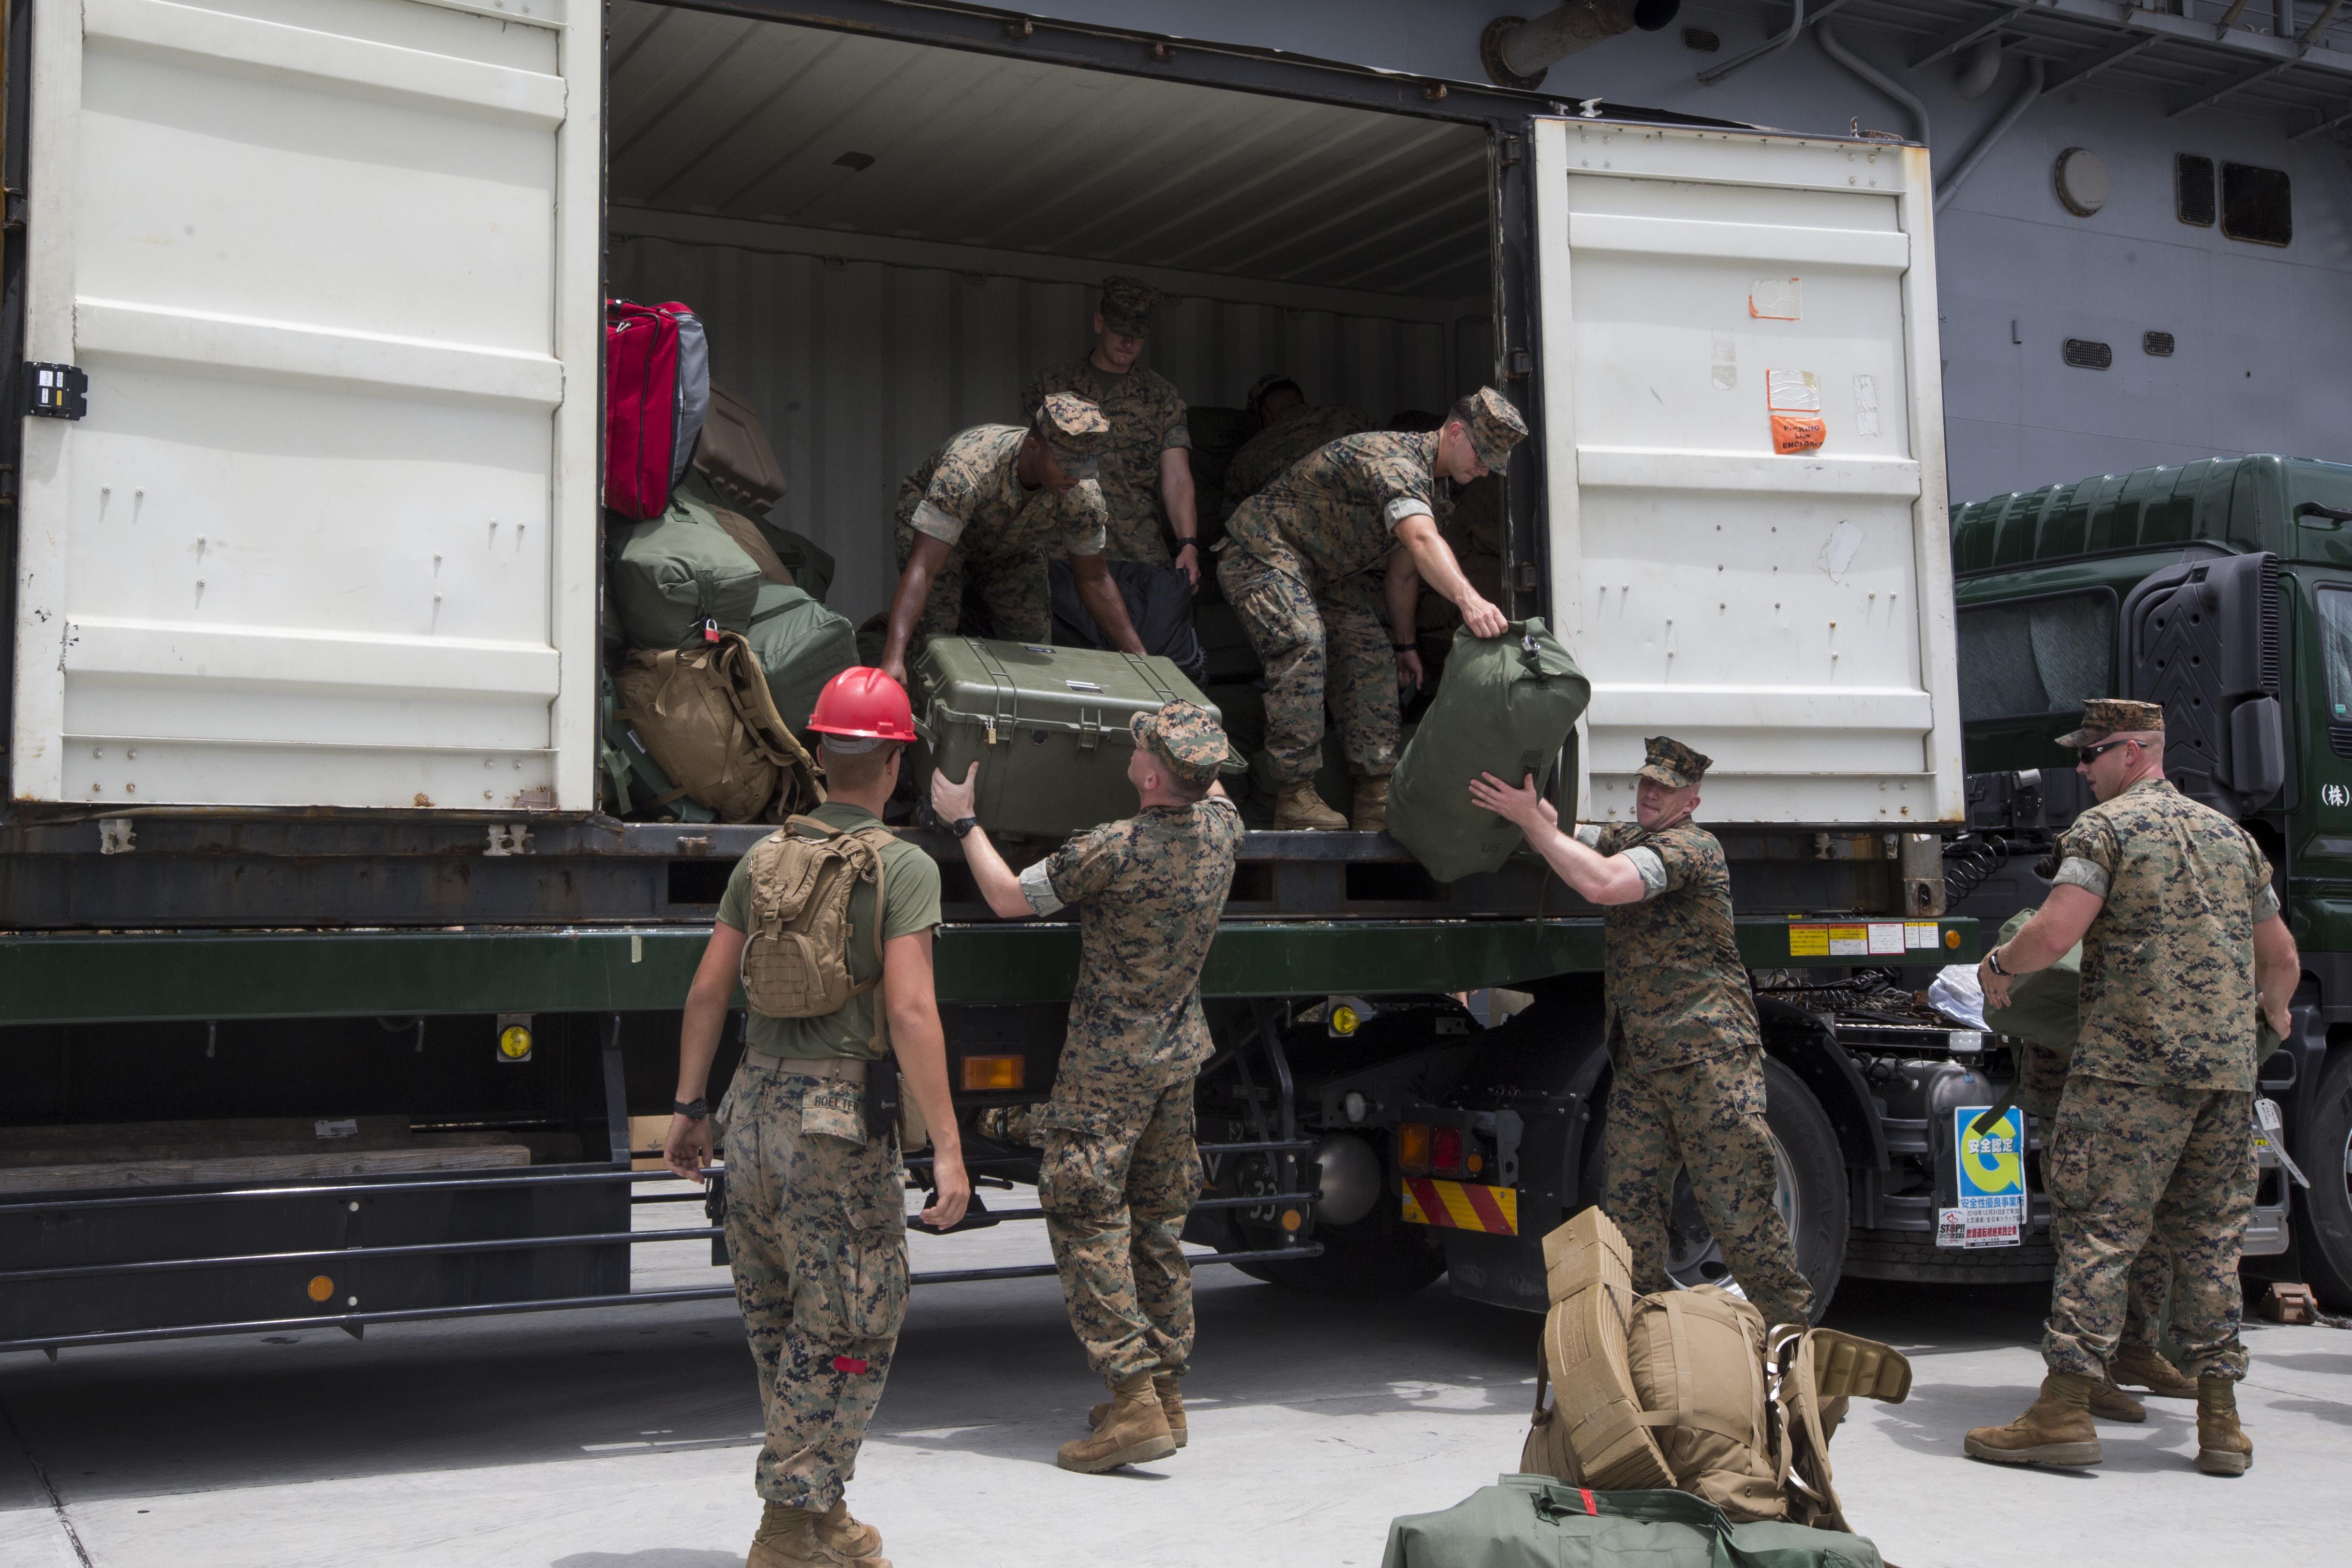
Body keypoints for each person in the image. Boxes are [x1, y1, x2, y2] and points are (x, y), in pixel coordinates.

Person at [664, 667, 972, 1568]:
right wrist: (947, 1151)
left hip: (752, 1106)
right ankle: (785, 1528)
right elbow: (912, 1013)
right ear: (893, 764)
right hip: (836, 1124)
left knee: (785, 1320)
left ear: (819, 754)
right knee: (854, 1320)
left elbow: (706, 991)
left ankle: (820, 1513)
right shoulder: (901, 865)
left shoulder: (763, 858)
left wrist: (688, 1108)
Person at [1964, 698, 2296, 1476]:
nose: (2080, 769)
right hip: (2221, 1082)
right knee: (2211, 1245)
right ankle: (2219, 1423)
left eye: (2091, 754)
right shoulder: (2230, 838)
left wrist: (1997, 970)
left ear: (2135, 752)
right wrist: (2263, 1024)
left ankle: (2063, 1409)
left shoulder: (2104, 830)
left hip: (2126, 1075)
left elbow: (2053, 930)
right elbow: (2279, 960)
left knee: (2098, 1234)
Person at [930, 701, 1243, 1473]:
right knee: (1157, 1227)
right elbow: (1213, 788)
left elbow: (1007, 897)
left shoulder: (1113, 848)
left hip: (1107, 1071)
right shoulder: (1223, 831)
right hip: (1176, 1060)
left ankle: (1132, 1400)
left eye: (1138, 750)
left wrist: (963, 819)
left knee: (1085, 1217)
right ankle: (1166, 1394)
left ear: (1145, 772)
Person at [1467, 736, 1817, 1330]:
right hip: (1645, 1060)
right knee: (1629, 1216)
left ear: (1692, 799)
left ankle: (1794, 1344)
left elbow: (1602, 883)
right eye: (1646, 782)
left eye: (1665, 787)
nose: (1650, 793)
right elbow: (1576, 837)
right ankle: (1650, 1345)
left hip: (1708, 1060)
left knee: (1740, 1212)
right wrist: (1536, 817)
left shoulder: (1690, 849)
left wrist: (1535, 824)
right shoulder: (1634, 839)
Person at [1217, 387, 1524, 832]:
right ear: (1455, 432)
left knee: (1370, 657)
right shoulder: (1394, 460)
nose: (1483, 471)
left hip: (1324, 572)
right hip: (1263, 550)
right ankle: (1294, 794)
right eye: (1482, 457)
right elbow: (1421, 540)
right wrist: (1468, 599)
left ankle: (1376, 795)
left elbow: (1404, 570)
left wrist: (1404, 643)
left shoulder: (1441, 490)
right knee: (1302, 641)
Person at [878, 393, 1146, 686]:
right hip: (942, 538)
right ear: (1034, 447)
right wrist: (893, 659)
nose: (1075, 477)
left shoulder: (1082, 495)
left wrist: (1142, 661)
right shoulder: (969, 467)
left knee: (1032, 643)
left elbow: (1094, 580)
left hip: (1013, 545)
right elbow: (925, 568)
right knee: (933, 636)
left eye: (1082, 467)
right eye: (1066, 464)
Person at [1024, 276, 1200, 584]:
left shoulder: (1162, 396)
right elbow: (1028, 462)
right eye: (1119, 331)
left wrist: (1188, 544)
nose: (1128, 343)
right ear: (1099, 323)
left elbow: (1177, 475)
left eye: (1138, 335)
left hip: (1137, 553)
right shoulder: (1052, 386)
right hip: (1062, 549)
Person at [1216, 376, 1370, 524]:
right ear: (1301, 399)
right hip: (1367, 526)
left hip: (1295, 541)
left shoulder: (1248, 454)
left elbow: (1233, 521)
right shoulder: (1354, 417)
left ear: (1266, 415)